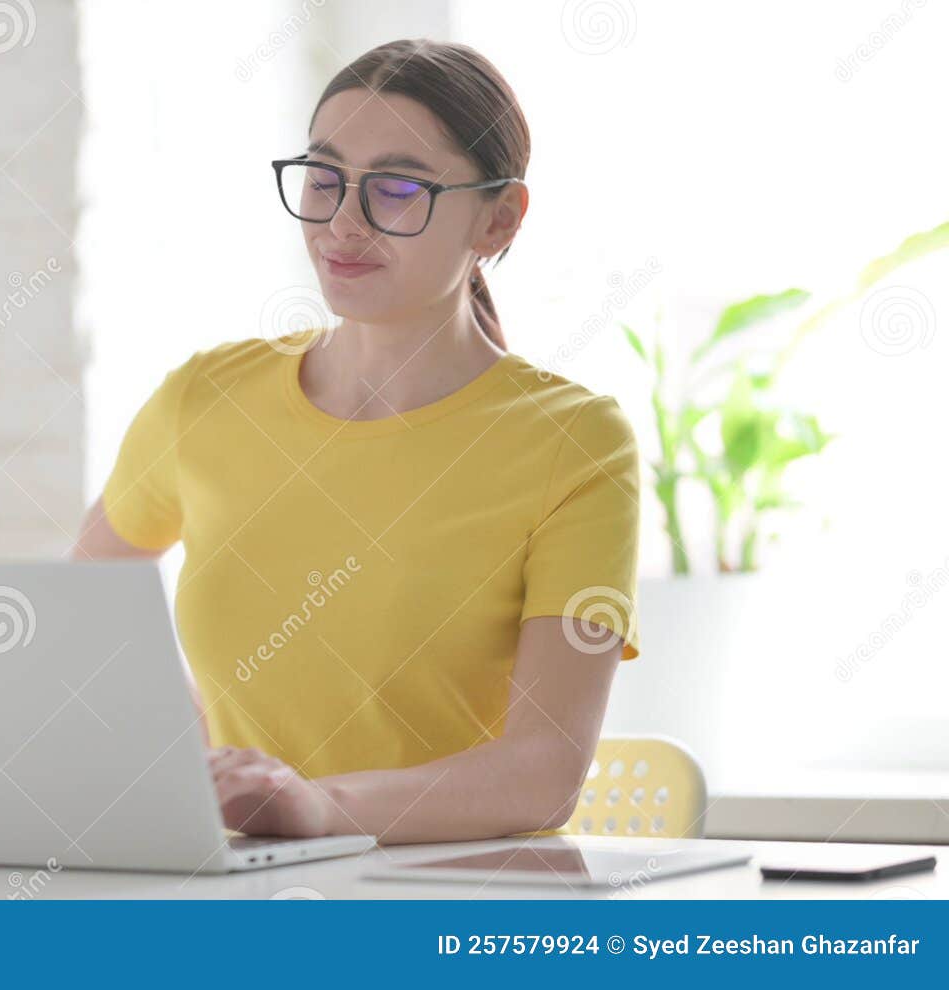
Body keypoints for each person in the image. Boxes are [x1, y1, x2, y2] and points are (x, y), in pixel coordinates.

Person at [72, 39, 641, 844]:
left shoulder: (575, 443)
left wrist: (316, 808)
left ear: (498, 218)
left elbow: (543, 773)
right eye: (324, 178)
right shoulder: (205, 398)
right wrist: (195, 764)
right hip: (240, 888)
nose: (342, 222)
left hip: (453, 896)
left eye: (396, 188)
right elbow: (89, 593)